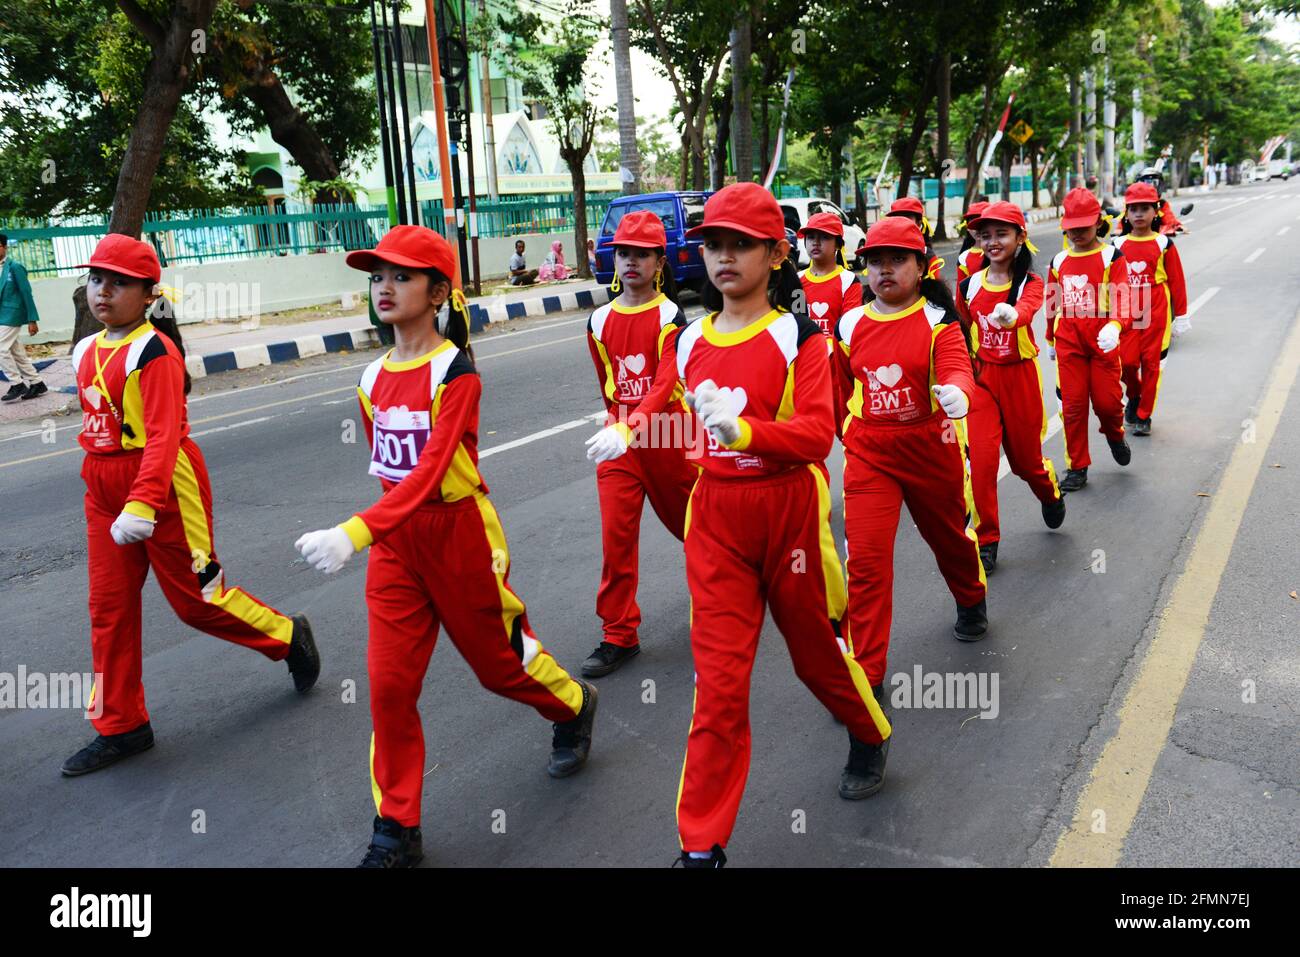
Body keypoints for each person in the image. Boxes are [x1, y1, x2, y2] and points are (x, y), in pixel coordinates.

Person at [292, 225, 597, 868]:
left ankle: (572, 703)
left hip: (458, 536)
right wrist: (376, 533)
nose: (385, 287)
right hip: (397, 546)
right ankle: (396, 824)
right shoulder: (371, 376)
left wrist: (354, 531)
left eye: (401, 277)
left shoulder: (455, 372)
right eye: (378, 276)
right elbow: (391, 472)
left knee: (499, 667)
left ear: (437, 293)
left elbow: (431, 472)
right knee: (388, 686)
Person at [669, 182, 891, 867]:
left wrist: (748, 430)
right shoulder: (687, 341)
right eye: (713, 244)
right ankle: (701, 843)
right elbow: (669, 408)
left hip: (788, 512)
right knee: (719, 683)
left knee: (814, 653)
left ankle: (867, 729)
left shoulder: (801, 338)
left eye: (741, 244)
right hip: (716, 518)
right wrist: (626, 430)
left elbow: (818, 434)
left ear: (775, 252)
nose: (724, 257)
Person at [64, 234, 319, 777]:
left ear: (148, 293)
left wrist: (141, 502)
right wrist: (107, 491)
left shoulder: (154, 350)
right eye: (96, 280)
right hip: (104, 490)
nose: (103, 292)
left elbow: (161, 438)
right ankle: (121, 725)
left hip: (162, 486)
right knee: (107, 609)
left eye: (118, 283)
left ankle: (286, 635)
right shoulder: (85, 350)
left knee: (197, 602)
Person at [833, 216, 988, 798]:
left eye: (897, 259)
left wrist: (958, 394)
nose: (883, 269)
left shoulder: (938, 319)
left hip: (931, 448)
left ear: (923, 267)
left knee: (949, 539)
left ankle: (970, 600)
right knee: (866, 567)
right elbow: (830, 386)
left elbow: (956, 369)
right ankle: (866, 686)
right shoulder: (850, 320)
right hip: (870, 453)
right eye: (875, 259)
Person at [580, 210, 698, 676]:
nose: (631, 262)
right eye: (623, 252)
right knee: (616, 537)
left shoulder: (670, 314)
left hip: (670, 435)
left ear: (659, 262)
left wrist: (632, 425)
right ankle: (618, 633)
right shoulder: (598, 320)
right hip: (621, 445)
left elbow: (668, 380)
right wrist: (619, 427)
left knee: (697, 530)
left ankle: (724, 603)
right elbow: (608, 384)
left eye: (642, 254)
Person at [958, 202, 1066, 573]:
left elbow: (1030, 308)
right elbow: (957, 329)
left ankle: (1048, 490)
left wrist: (1012, 316)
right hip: (983, 381)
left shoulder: (1030, 282)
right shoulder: (969, 284)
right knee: (983, 465)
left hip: (1019, 379)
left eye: (1001, 234)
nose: (992, 242)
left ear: (1021, 237)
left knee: (1025, 463)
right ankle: (987, 539)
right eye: (985, 235)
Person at [1046, 188, 1132, 493]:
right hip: (1069, 338)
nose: (1077, 232)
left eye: (1084, 225)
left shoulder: (1112, 256)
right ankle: (1077, 466)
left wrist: (1115, 326)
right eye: (1072, 227)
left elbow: (1124, 297)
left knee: (1108, 404)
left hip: (1103, 339)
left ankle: (1115, 434)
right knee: (1072, 405)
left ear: (1098, 222)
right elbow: (1052, 300)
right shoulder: (1058, 261)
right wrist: (1050, 339)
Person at [1113, 182, 1189, 436]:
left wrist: (1181, 315)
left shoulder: (1164, 244)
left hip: (1156, 309)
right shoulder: (1117, 245)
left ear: (1155, 211)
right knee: (1127, 363)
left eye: (1144, 208)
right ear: (1126, 212)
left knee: (1151, 363)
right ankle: (1134, 396)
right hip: (1126, 312)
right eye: (1133, 209)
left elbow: (1176, 280)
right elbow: (1108, 282)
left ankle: (1144, 415)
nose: (1138, 214)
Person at [0, 234, 48, 401]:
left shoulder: (15, 267)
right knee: (16, 352)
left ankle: (16, 384)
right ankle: (37, 382)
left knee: (0, 349)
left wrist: (32, 319)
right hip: (2, 315)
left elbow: (26, 293)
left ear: (4, 247)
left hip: (13, 314)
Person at [955, 200, 991, 285]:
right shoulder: (963, 258)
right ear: (967, 227)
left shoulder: (1002, 252)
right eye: (973, 224)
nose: (977, 229)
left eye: (981, 224)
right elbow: (960, 291)